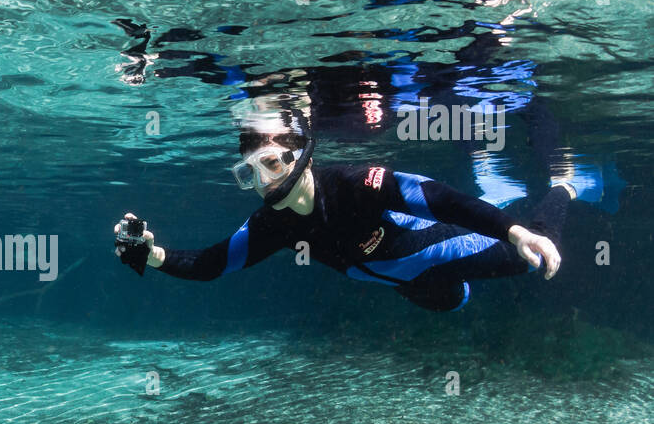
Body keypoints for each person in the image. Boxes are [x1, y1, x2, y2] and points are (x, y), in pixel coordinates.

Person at [114, 108, 612, 312]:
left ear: (299, 154)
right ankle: (503, 200)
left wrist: (515, 232)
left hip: (441, 250)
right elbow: (213, 263)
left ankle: (563, 185)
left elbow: (439, 198)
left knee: (532, 253)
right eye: (250, 174)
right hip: (412, 286)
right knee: (448, 302)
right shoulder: (274, 225)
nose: (264, 182)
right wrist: (153, 255)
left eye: (268, 164)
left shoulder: (356, 184)